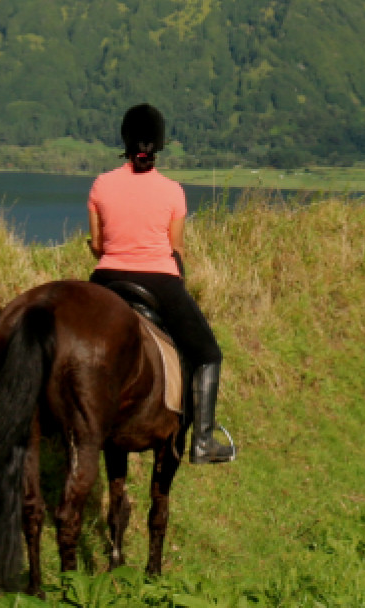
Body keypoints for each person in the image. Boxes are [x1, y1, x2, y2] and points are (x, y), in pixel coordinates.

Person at [87, 104, 236, 464]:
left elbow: (98, 245)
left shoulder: (101, 185)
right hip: (160, 283)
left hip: (106, 279)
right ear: (159, 144)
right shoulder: (173, 191)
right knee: (208, 354)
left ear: (125, 140)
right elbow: (176, 247)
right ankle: (203, 441)